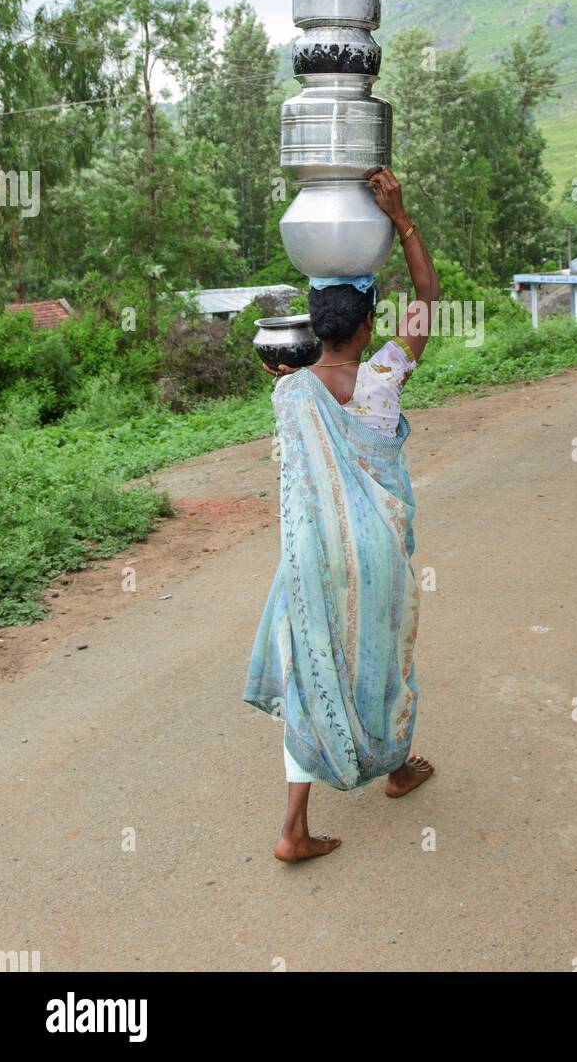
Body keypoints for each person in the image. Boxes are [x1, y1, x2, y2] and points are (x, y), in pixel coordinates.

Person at [243, 168, 440, 862]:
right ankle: (398, 765)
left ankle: (293, 829)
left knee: (313, 669)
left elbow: (290, 375)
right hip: (377, 548)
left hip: (312, 554)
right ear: (365, 324)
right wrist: (402, 217)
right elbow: (428, 298)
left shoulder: (289, 393)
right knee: (382, 656)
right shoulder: (384, 375)